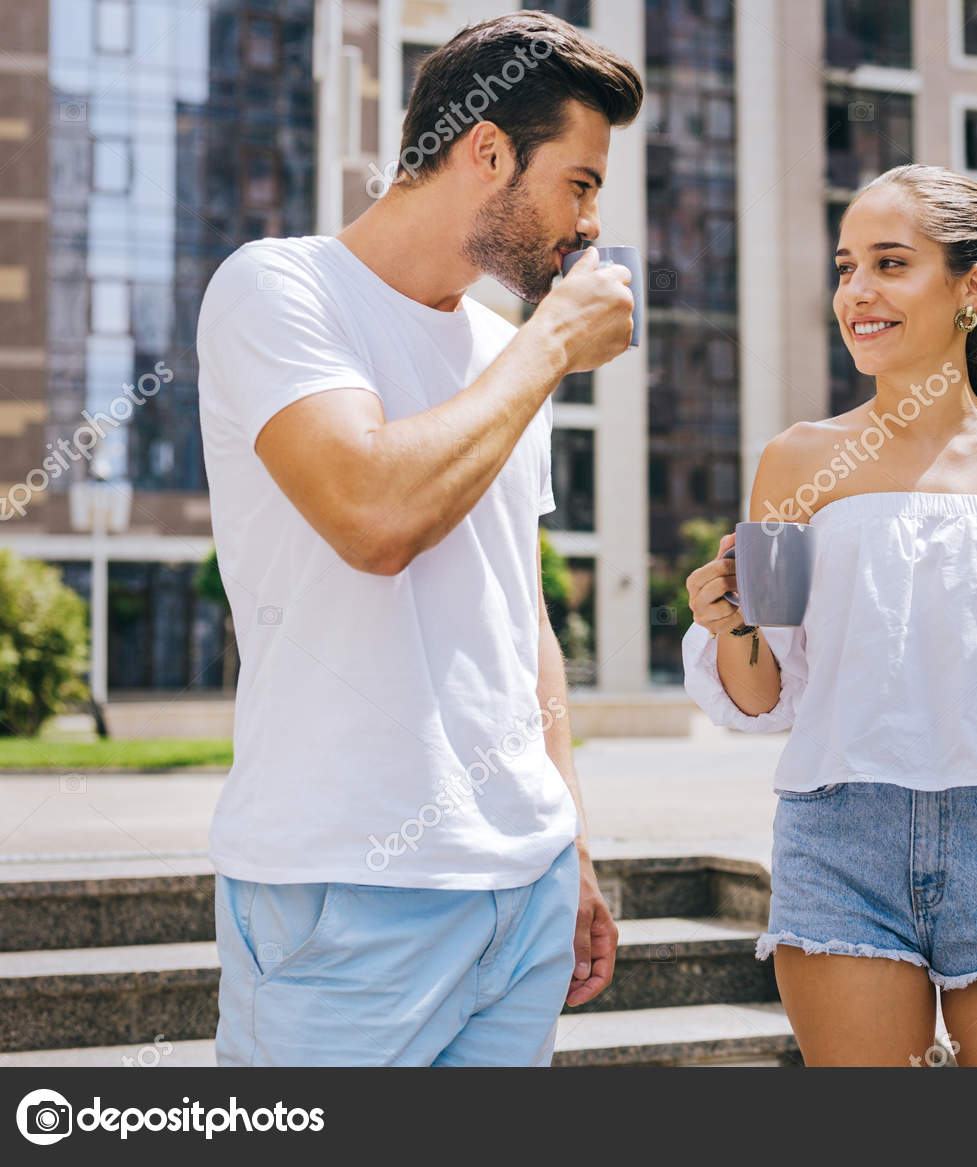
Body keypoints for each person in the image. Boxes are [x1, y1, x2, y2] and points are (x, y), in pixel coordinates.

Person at [194, 12, 643, 1065]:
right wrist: (549, 351)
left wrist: (569, 839)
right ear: (486, 150)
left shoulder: (499, 347)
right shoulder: (278, 289)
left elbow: (515, 613)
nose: (588, 224)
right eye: (579, 183)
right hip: (347, 892)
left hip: (521, 890)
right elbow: (374, 519)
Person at [680, 164, 977, 1067]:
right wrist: (733, 629)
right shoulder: (793, 463)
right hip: (840, 841)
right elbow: (767, 699)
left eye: (890, 264)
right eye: (845, 266)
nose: (857, 292)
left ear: (971, 286)